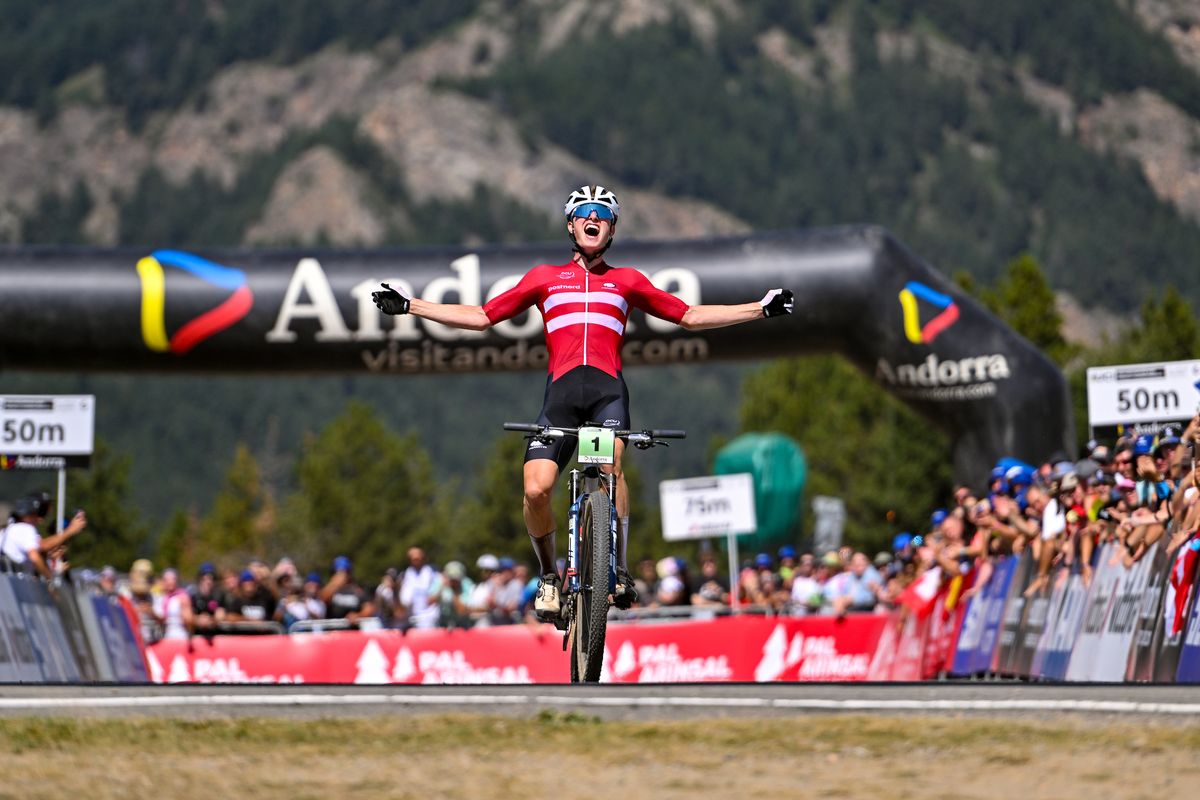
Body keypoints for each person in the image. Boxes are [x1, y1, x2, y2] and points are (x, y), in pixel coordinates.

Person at [372, 184, 795, 621]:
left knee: (611, 468)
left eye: (603, 214)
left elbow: (688, 315)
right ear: (571, 225)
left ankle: (621, 569)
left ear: (610, 229)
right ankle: (549, 577)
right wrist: (409, 306)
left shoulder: (626, 280)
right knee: (535, 489)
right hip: (560, 399)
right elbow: (482, 317)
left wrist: (759, 308)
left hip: (607, 396)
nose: (593, 218)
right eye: (584, 213)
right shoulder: (544, 277)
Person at [1, 493, 87, 579]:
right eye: (41, 512)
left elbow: (40, 548)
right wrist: (50, 579)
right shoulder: (25, 529)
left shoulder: (10, 530)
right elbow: (36, 554)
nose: (42, 519)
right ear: (29, 514)